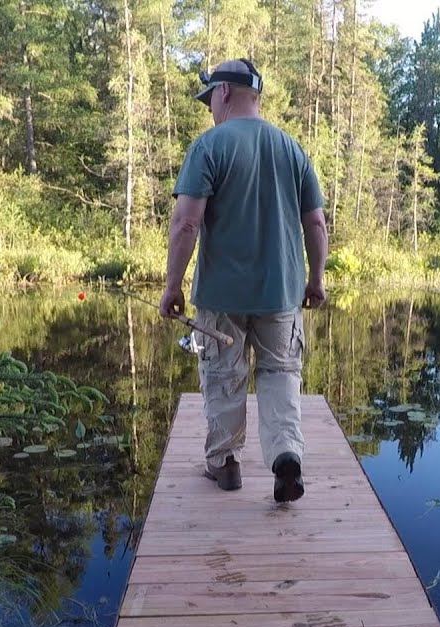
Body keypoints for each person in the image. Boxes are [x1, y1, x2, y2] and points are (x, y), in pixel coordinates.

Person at [159, 58, 329, 503]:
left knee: (224, 376)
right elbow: (316, 223)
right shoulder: (292, 149)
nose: (209, 108)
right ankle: (286, 454)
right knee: (279, 374)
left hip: (220, 296)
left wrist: (172, 285)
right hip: (282, 293)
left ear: (226, 93)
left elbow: (185, 225)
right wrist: (316, 279)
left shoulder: (209, 146)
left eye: (209, 97)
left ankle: (226, 463)